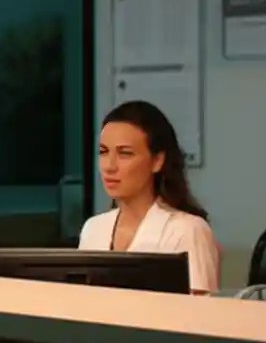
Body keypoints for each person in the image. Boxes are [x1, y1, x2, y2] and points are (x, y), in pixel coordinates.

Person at [79, 100, 220, 294]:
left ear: (157, 161)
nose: (109, 166)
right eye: (103, 152)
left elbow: (198, 317)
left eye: (125, 154)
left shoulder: (187, 230)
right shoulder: (93, 229)